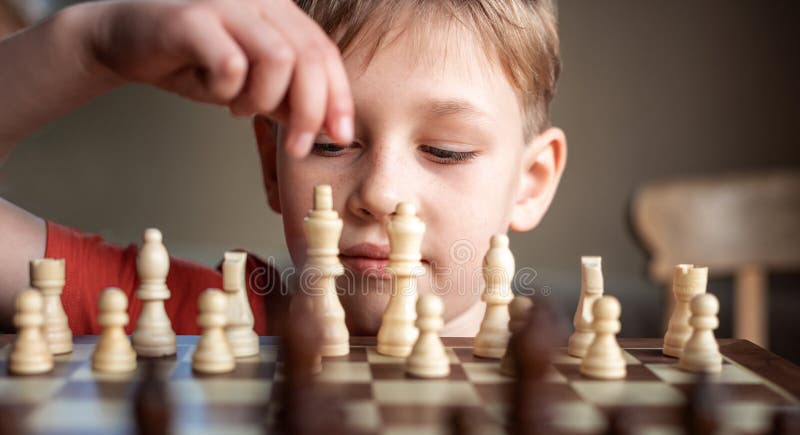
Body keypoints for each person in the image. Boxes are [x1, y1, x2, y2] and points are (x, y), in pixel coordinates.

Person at [0, 0, 566, 337]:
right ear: (271, 167)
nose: (382, 192)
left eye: (445, 150)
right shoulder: (191, 314)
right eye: (329, 141)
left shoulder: (580, 373)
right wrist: (89, 46)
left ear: (531, 183)